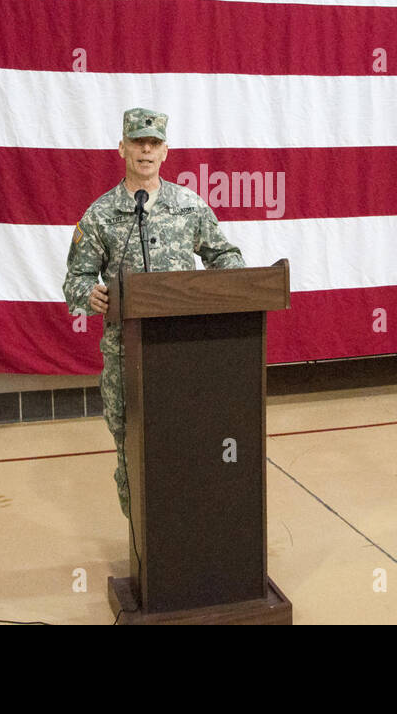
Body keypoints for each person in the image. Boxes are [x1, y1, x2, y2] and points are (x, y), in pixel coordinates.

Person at [63, 109, 245, 518]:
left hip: (183, 354)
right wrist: (87, 295)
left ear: (166, 151)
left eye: (154, 143)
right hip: (125, 358)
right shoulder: (101, 214)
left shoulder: (189, 207)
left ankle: (186, 535)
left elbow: (226, 256)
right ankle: (142, 545)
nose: (146, 150)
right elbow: (76, 277)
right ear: (122, 148)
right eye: (137, 142)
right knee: (131, 449)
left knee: (188, 445)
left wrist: (228, 289)